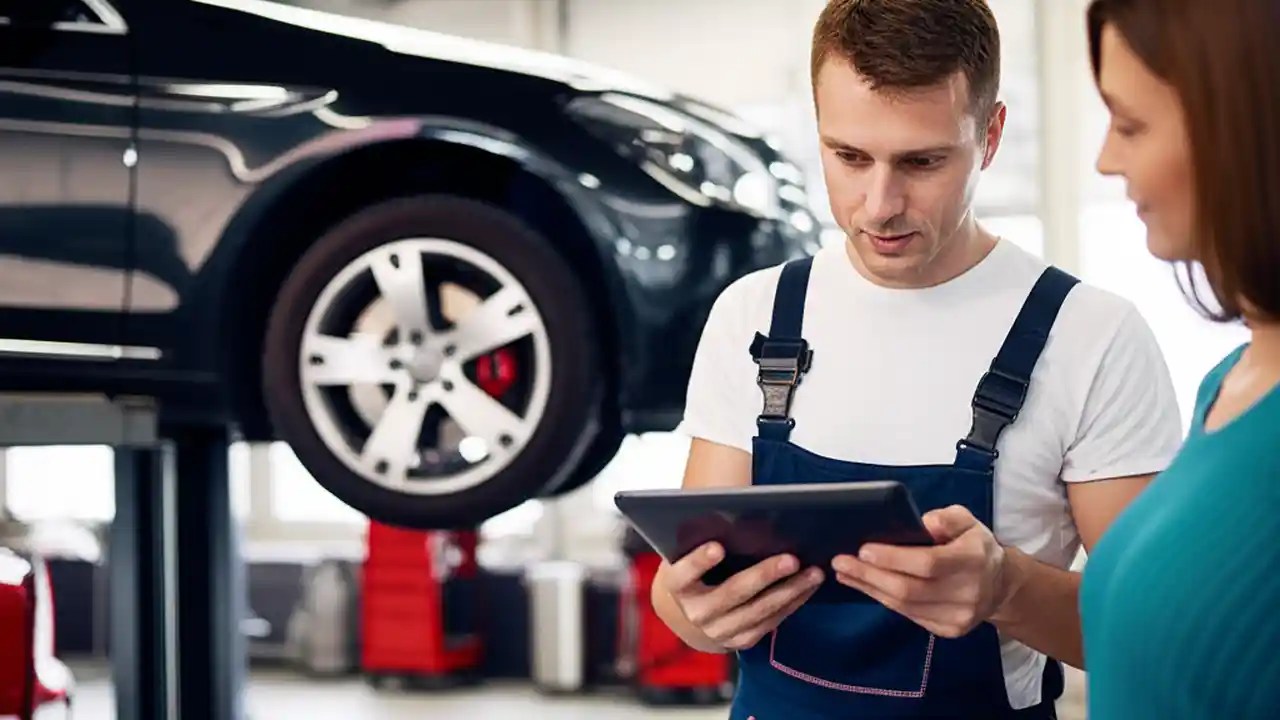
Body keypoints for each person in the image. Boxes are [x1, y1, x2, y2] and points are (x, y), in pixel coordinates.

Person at [649, 1, 1186, 718]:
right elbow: (684, 593)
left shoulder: (1092, 337)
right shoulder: (755, 315)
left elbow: (1159, 634)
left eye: (922, 161)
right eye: (849, 157)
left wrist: (1006, 589)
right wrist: (691, 609)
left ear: (989, 136)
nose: (880, 205)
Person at [1078, 1, 1280, 717]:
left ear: (1248, 131)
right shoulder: (1227, 386)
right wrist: (1003, 589)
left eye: (1130, 125)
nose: (1107, 159)